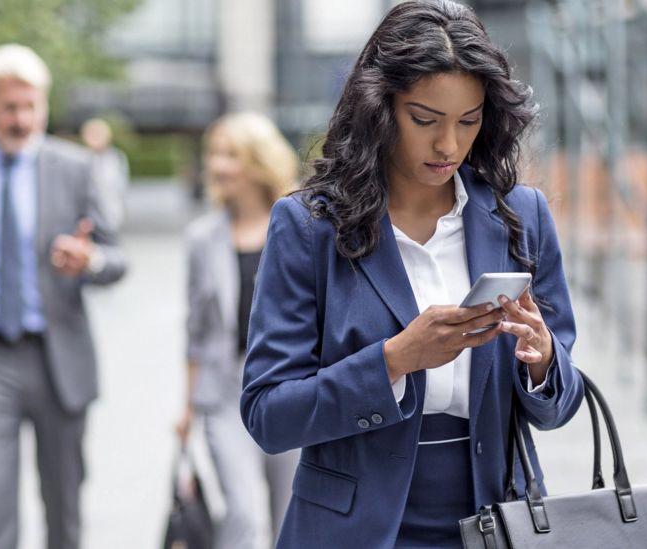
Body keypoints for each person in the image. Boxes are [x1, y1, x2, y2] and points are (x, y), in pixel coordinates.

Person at [239, 2, 585, 547]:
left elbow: (560, 405)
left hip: (497, 520)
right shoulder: (309, 227)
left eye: (468, 121)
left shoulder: (522, 214)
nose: (448, 145)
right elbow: (269, 415)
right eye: (424, 120)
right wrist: (395, 360)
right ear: (379, 109)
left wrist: (542, 360)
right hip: (353, 531)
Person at [0, 44, 126, 549]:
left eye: (31, 106)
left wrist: (90, 262)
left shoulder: (75, 167)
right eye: (9, 107)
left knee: (64, 509)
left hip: (57, 357)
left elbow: (116, 258)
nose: (21, 120)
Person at [177, 112, 300, 549]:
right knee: (242, 514)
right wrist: (187, 407)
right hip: (226, 389)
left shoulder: (300, 224)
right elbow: (195, 329)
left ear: (258, 161)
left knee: (291, 515)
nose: (217, 164)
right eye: (214, 154)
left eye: (230, 154)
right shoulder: (202, 238)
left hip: (291, 382)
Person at [80, 117, 129, 232]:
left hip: (112, 213)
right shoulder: (80, 158)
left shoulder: (116, 158)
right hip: (88, 218)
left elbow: (122, 187)